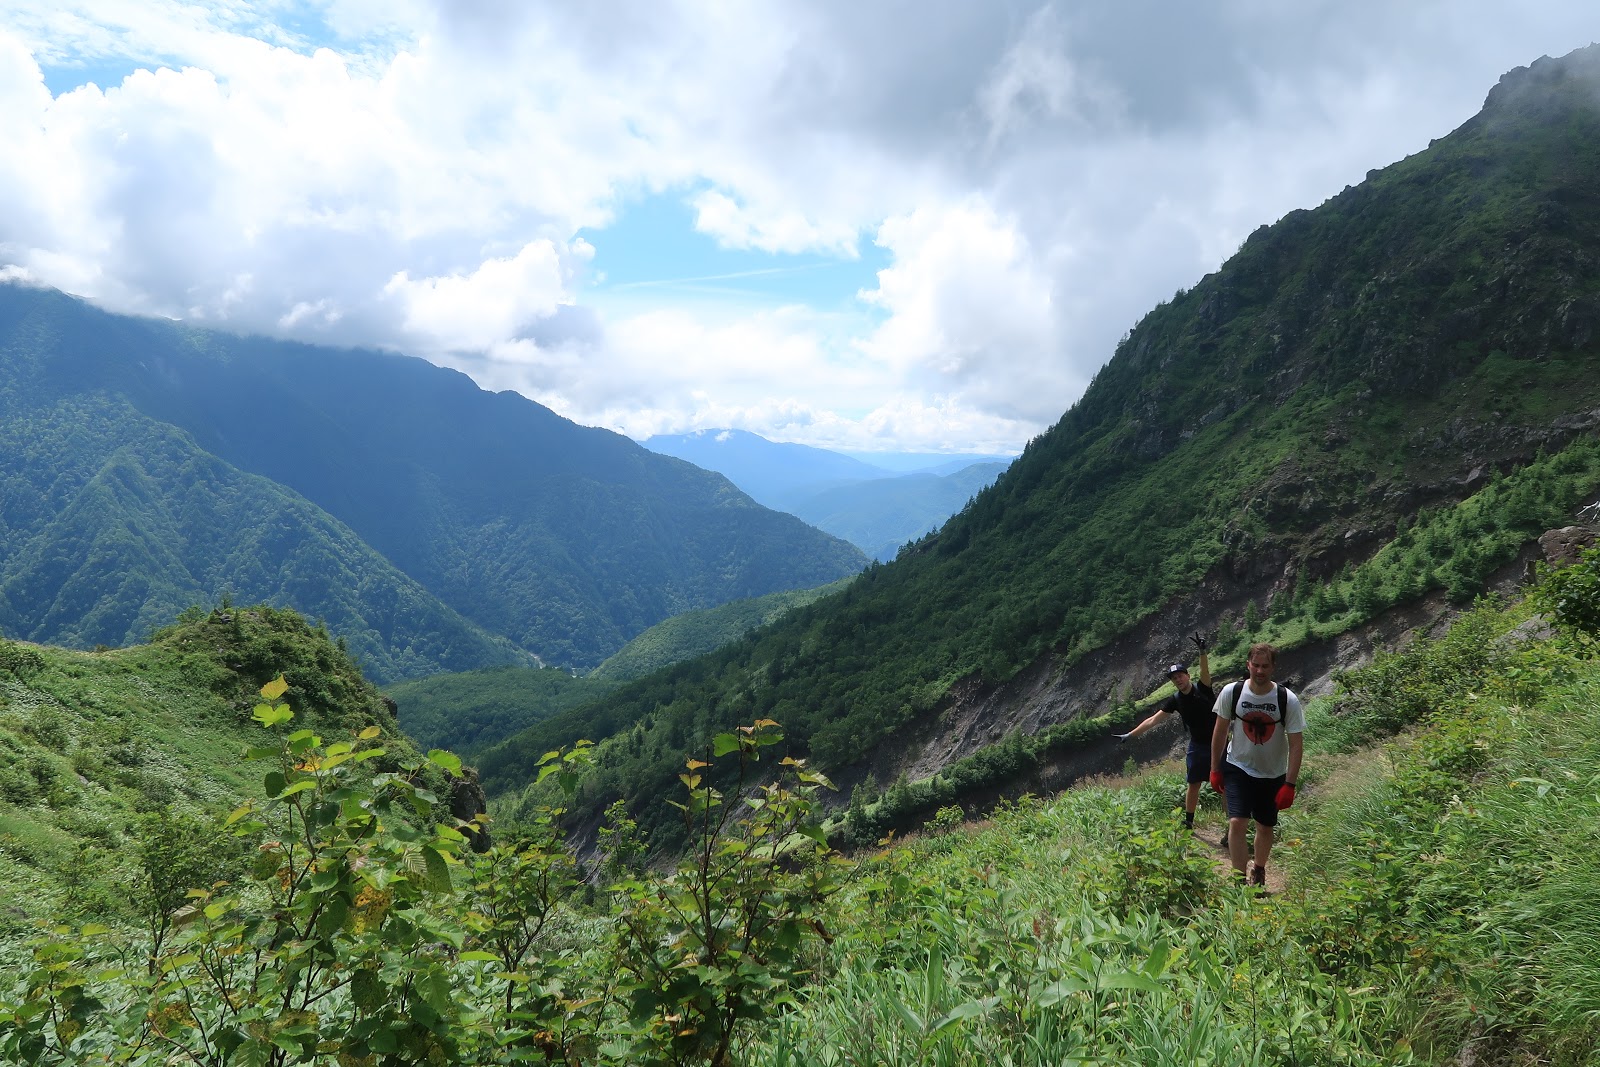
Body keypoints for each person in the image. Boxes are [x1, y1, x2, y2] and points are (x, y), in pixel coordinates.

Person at [1208, 642, 1304, 888]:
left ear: (1273, 667)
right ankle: (1239, 880)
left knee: (1265, 825)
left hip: (1272, 773)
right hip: (1238, 765)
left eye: (1265, 666)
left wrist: (1289, 784)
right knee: (1237, 821)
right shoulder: (1232, 692)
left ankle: (1259, 869)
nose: (1260, 671)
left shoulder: (1286, 699)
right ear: (1248, 664)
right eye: (1256, 665)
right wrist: (1215, 769)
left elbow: (1296, 744)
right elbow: (1219, 732)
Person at [1114, 633, 1215, 830]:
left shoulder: (1203, 688)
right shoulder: (1176, 700)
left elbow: (1205, 670)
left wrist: (1202, 652)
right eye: (1174, 678)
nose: (1178, 679)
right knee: (1193, 783)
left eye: (1180, 675)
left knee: (1225, 784)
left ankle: (1231, 826)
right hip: (1197, 744)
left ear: (1188, 675)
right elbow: (1153, 720)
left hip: (1218, 743)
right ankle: (1189, 821)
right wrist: (1130, 735)